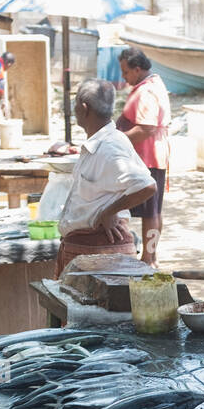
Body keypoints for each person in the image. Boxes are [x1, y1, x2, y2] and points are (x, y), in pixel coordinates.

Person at [55, 79, 155, 276]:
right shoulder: (101, 143)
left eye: (75, 105)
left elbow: (147, 186)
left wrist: (109, 212)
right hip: (85, 251)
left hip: (99, 253)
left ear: (84, 108)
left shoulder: (109, 147)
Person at [115, 47, 171, 264]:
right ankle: (150, 255)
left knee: (151, 212)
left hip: (148, 157)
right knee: (153, 210)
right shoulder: (150, 84)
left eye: (126, 72)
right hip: (150, 155)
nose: (123, 77)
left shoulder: (147, 91)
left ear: (137, 69)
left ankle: (149, 257)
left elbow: (146, 128)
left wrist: (118, 140)